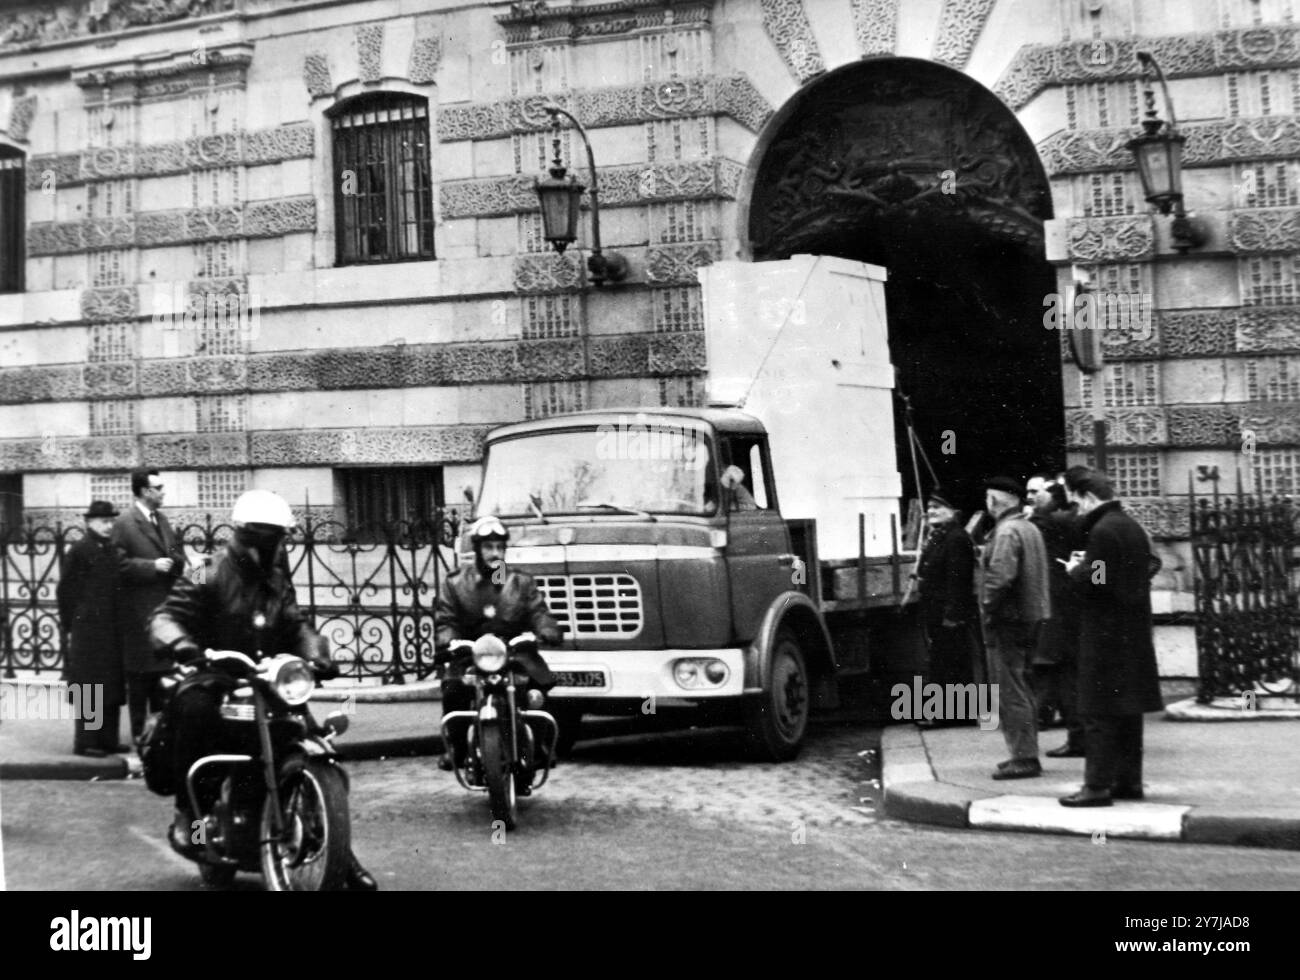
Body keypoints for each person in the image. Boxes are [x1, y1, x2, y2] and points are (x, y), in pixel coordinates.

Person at [149, 489, 376, 890]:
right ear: (243, 532)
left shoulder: (275, 579)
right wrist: (185, 646)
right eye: (265, 534)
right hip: (215, 673)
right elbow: (167, 615)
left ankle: (339, 853)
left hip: (266, 679)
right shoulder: (206, 567)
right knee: (196, 714)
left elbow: (295, 623)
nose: (273, 543)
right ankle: (190, 818)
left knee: (314, 739)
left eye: (278, 535)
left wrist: (316, 652)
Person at [1059, 466, 1163, 807]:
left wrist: (1077, 570)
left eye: (1075, 502)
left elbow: (1098, 580)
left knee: (1098, 712)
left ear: (1087, 497)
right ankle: (1129, 782)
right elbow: (1150, 565)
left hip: (1105, 636)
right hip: (1133, 632)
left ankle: (1096, 787)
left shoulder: (1102, 530)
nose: (1075, 510)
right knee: (1128, 712)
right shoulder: (1130, 525)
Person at [434, 515, 561, 771]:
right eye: (488, 547)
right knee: (454, 690)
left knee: (536, 688)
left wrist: (546, 630)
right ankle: (457, 749)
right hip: (473, 652)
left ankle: (539, 746)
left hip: (514, 651)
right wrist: (448, 642)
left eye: (499, 547)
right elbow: (446, 618)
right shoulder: (455, 582)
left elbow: (538, 611)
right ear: (477, 550)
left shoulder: (521, 582)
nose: (495, 553)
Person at [977, 476, 1050, 780]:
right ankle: (1024, 753)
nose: (986, 505)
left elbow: (1000, 577)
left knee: (1011, 690)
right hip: (1030, 617)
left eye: (988, 499)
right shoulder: (1028, 527)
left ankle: (1024, 757)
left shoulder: (1007, 532)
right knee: (1023, 685)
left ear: (996, 501)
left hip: (1009, 620)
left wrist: (986, 605)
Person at [111, 468, 186, 743]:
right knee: (140, 679)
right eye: (159, 487)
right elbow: (116, 565)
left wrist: (185, 564)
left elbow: (178, 555)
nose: (163, 492)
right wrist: (150, 566)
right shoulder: (124, 523)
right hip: (138, 615)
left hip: (163, 614)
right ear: (144, 491)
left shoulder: (162, 520)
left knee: (162, 678)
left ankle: (159, 737)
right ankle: (140, 737)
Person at [56, 500, 129, 757]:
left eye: (111, 522)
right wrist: (72, 624)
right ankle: (86, 742)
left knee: (110, 684)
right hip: (87, 629)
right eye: (102, 522)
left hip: (109, 627)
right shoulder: (80, 550)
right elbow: (65, 591)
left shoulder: (111, 549)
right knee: (89, 685)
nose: (108, 526)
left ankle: (107, 739)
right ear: (89, 523)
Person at [1025, 474, 1085, 756]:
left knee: (1059, 670)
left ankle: (1076, 736)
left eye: (1044, 492)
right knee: (1062, 670)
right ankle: (1072, 732)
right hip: (1067, 605)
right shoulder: (1073, 519)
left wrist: (1038, 508)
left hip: (1056, 606)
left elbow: (1037, 520)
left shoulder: (1052, 521)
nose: (1037, 496)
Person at [913, 488, 984, 725]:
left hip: (949, 612)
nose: (931, 511)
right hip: (938, 610)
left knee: (951, 662)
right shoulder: (939, 536)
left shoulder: (956, 538)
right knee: (945, 661)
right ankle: (955, 715)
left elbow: (958, 579)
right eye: (930, 507)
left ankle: (949, 716)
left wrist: (953, 613)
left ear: (954, 512)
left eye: (938, 507)